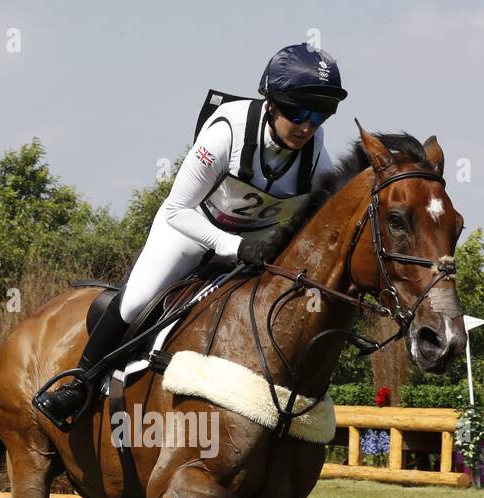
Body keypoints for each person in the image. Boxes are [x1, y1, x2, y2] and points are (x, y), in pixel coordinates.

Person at [34, 42, 348, 430]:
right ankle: (80, 383)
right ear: (271, 103)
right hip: (191, 229)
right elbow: (175, 209)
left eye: (320, 114)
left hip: (255, 245)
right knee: (136, 303)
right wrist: (233, 246)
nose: (307, 125)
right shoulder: (225, 134)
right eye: (298, 110)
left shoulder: (316, 155)